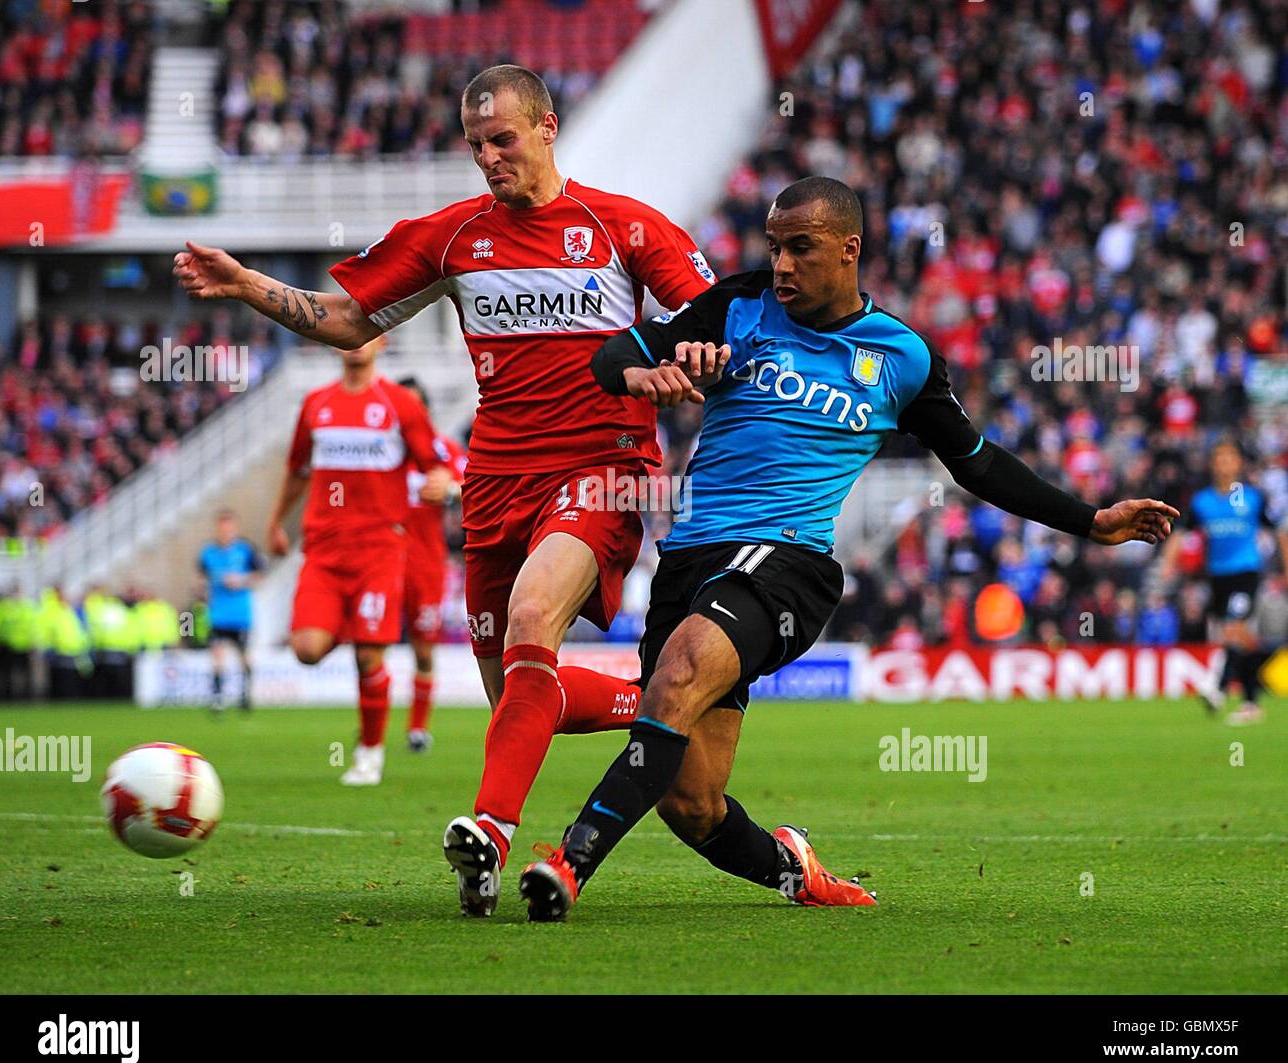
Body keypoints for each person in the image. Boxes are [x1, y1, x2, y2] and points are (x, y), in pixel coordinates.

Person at [517, 177, 1180, 921]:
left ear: (848, 248)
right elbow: (612, 360)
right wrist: (651, 373)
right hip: (691, 558)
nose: (782, 266)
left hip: (787, 560)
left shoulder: (902, 356)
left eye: (800, 248)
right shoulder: (736, 307)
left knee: (677, 674)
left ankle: (569, 864)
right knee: (691, 803)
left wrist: (1091, 520)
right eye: (774, 248)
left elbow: (980, 462)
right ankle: (795, 869)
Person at [174, 64, 715, 914]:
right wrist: (245, 284)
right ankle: (661, 705)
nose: (490, 157)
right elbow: (351, 320)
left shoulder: (624, 227)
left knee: (537, 620)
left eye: (502, 139)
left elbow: (712, 329)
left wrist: (681, 364)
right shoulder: (452, 236)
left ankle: (491, 830)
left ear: (547, 126)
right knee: (517, 696)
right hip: (495, 481)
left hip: (603, 472)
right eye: (475, 145)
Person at [266, 336, 449, 786]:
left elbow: (435, 462)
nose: (355, 344)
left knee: (370, 657)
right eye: (348, 336)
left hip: (379, 550)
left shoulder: (400, 404)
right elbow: (296, 469)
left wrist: (440, 482)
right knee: (306, 649)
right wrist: (275, 522)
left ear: (382, 341)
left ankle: (369, 752)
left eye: (366, 334)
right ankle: (353, 626)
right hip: (324, 551)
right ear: (335, 344)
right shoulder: (316, 405)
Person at [1162, 438, 1288, 725]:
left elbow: (1279, 531)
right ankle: (1251, 702)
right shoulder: (1202, 501)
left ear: (1239, 464)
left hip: (1246, 572)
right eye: (1219, 458)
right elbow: (1181, 533)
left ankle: (1218, 687)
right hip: (1217, 576)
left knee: (1234, 626)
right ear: (1212, 464)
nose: (1224, 463)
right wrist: (1169, 563)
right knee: (1238, 637)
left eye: (1229, 458)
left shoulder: (1253, 498)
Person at [397, 377, 465, 753]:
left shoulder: (442, 452)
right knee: (365, 646)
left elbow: (478, 481)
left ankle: (417, 728)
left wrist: (453, 489)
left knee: (423, 650)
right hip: (379, 559)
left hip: (424, 564)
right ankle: (368, 738)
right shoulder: (380, 452)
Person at [198, 510, 265, 712]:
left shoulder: (245, 550)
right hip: (217, 613)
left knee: (243, 655)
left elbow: (260, 574)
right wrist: (203, 592)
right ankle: (218, 698)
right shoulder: (207, 553)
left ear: (235, 529)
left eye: (230, 528)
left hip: (240, 614)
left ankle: (246, 694)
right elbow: (201, 579)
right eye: (222, 528)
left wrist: (242, 580)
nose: (226, 532)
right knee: (217, 655)